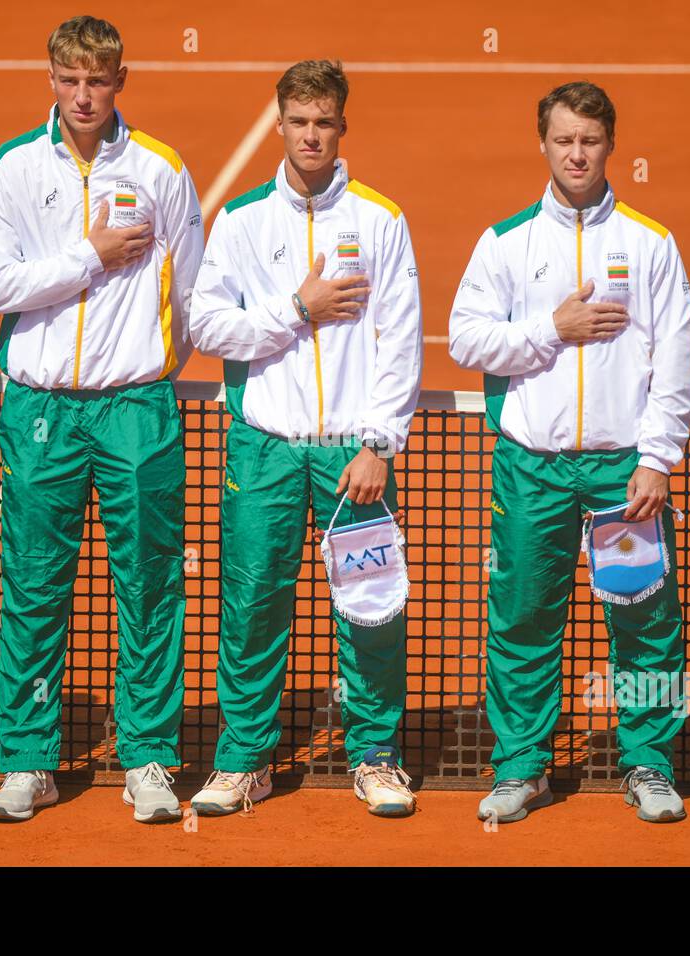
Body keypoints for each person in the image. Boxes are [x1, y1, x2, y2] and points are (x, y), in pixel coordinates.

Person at [0, 16, 202, 824]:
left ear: (119, 81)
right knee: (34, 585)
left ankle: (146, 757)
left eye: (97, 81)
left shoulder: (163, 170)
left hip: (137, 405)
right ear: (51, 79)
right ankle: (29, 762)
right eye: (68, 80)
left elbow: (190, 293)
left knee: (149, 584)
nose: (82, 95)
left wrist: (142, 361)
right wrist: (90, 256)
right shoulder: (10, 168)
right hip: (38, 408)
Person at [449, 81, 690, 824]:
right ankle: (523, 767)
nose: (577, 154)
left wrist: (657, 458)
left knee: (645, 620)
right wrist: (548, 329)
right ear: (544, 145)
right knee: (524, 617)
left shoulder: (651, 243)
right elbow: (466, 338)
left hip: (625, 472)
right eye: (564, 140)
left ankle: (649, 763)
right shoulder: (506, 243)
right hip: (534, 468)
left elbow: (676, 359)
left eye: (590, 140)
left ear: (610, 145)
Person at [188, 60, 423, 817]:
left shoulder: (381, 221)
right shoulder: (242, 221)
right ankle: (244, 762)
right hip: (264, 449)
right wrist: (297, 306)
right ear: (279, 123)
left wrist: (379, 445)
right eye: (299, 121)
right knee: (253, 604)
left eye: (324, 121)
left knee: (370, 608)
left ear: (341, 126)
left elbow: (401, 341)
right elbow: (206, 324)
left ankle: (377, 757)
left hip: (353, 455)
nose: (311, 134)